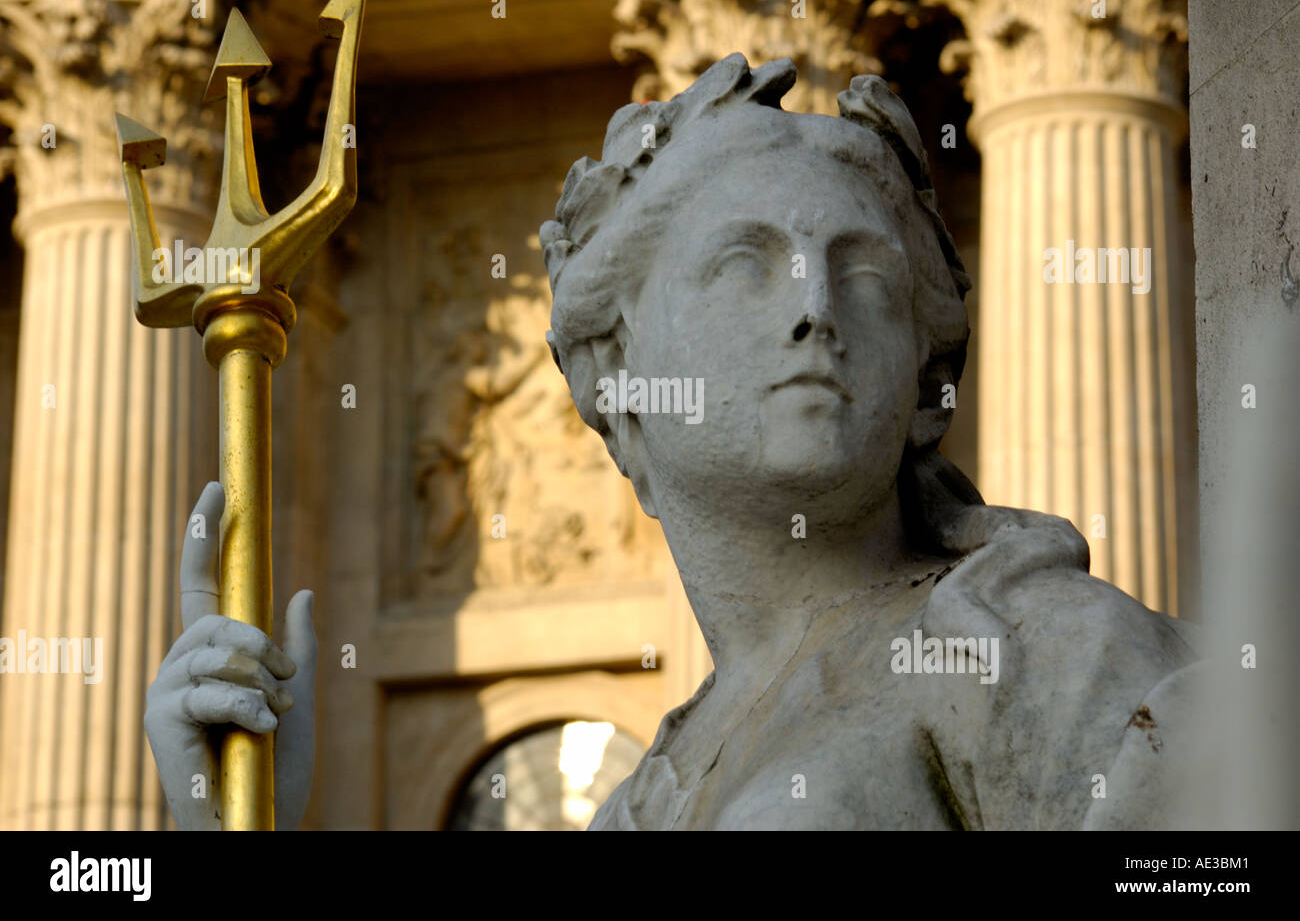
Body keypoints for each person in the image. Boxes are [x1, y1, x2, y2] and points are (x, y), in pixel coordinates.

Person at [146, 54, 1201, 830]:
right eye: (744, 266)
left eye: (867, 276)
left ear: (931, 387)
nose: (815, 311)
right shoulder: (634, 810)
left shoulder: (1031, 647)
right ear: (611, 377)